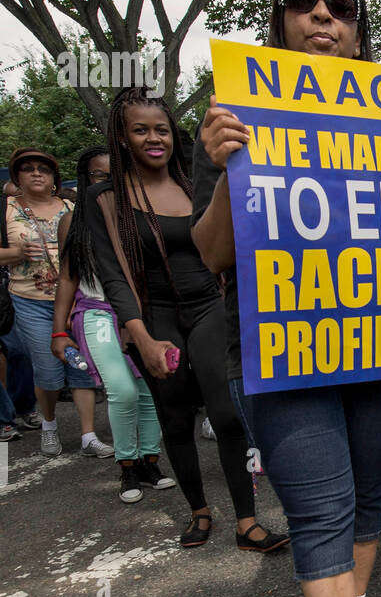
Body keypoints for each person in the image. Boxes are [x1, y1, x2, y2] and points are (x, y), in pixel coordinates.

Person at [192, 0, 381, 597]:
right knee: (318, 512)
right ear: (280, 15)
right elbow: (214, 253)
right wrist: (225, 170)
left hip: (377, 338)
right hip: (281, 348)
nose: (322, 14)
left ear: (358, 27)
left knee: (362, 498)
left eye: (341, 4)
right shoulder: (229, 116)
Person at [89, 87, 286, 553]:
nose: (154, 139)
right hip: (152, 317)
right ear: (121, 136)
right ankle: (199, 511)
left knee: (226, 414)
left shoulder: (191, 182)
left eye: (161, 129)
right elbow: (114, 277)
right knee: (175, 419)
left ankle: (247, 522)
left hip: (208, 307)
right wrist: (141, 337)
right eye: (140, 130)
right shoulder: (104, 198)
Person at [52, 146, 169, 502]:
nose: (107, 182)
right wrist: (59, 332)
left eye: (113, 174)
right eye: (99, 175)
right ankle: (128, 468)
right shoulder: (74, 221)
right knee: (122, 389)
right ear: (85, 178)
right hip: (97, 313)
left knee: (150, 390)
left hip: (138, 314)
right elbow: (69, 277)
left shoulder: (139, 215)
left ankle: (150, 461)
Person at [1, 148, 101, 456]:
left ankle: (88, 436)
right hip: (31, 301)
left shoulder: (72, 205)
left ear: (54, 177)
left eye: (43, 169)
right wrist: (15, 254)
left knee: (81, 366)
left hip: (75, 298)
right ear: (16, 177)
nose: (36, 173)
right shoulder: (5, 209)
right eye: (28, 168)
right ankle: (49, 425)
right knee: (47, 369)